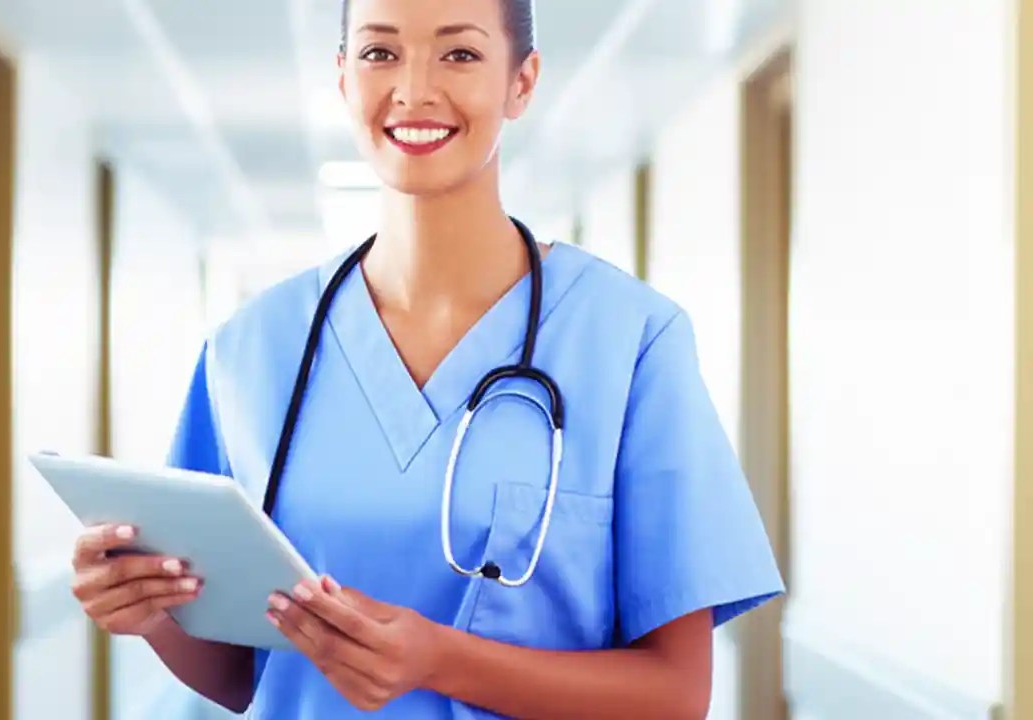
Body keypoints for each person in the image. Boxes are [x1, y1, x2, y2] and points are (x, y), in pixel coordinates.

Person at [69, 0, 784, 716]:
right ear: (344, 77)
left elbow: (676, 696)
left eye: (460, 54)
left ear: (522, 82)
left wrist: (444, 661)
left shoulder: (630, 340)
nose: (413, 89)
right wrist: (149, 610)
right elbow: (243, 677)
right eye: (380, 53)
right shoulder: (250, 347)